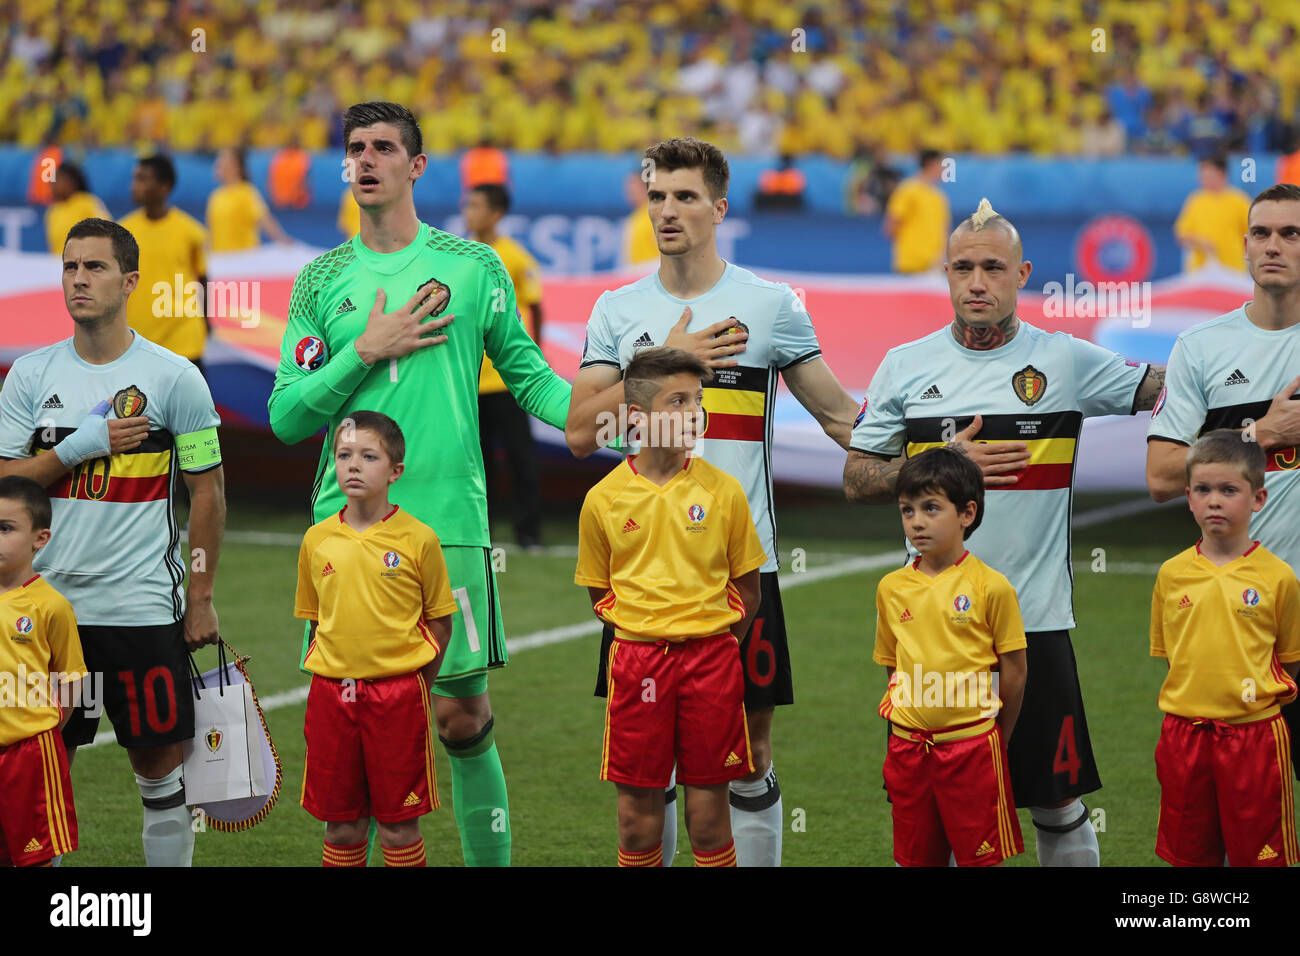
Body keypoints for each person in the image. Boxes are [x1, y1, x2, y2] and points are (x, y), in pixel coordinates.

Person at [269, 101, 572, 868]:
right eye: (353, 149)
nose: (364, 160)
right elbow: (285, 417)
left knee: (462, 718)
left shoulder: (474, 268)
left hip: (450, 526)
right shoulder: (320, 279)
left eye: (381, 147)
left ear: (417, 165)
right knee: (357, 718)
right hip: (347, 535)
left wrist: (619, 416)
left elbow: (535, 384)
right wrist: (364, 350)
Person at [565, 136, 861, 867]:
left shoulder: (769, 306)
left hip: (738, 571)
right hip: (643, 574)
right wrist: (662, 362)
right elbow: (581, 431)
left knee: (749, 750)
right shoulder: (618, 308)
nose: (667, 210)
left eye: (685, 196)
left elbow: (839, 417)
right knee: (647, 771)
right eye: (657, 195)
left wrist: (934, 450)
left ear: (719, 208)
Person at [845, 198, 1166, 867]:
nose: (976, 281)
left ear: (1022, 274)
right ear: (946, 273)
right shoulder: (906, 365)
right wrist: (937, 466)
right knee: (943, 801)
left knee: (1056, 800)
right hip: (934, 626)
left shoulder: (1065, 360)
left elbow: (1165, 390)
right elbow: (857, 476)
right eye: (963, 267)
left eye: (993, 267)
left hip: (1037, 619)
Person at [0, 217, 225, 867]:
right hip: (41, 610)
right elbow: (8, 483)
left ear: (129, 282)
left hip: (138, 607)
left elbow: (208, 491)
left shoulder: (175, 377)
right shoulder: (29, 375)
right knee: (35, 768)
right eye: (70, 266)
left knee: (158, 769)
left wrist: (202, 595)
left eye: (94, 267)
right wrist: (80, 446)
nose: (78, 279)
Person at [574, 347, 765, 868]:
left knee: (709, 817)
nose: (693, 413)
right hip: (638, 665)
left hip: (711, 663)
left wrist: (716, 643)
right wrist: (647, 630)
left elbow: (747, 589)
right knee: (637, 822)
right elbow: (600, 593)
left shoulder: (723, 491)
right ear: (636, 417)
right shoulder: (603, 499)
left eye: (697, 400)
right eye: (677, 401)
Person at [1146, 182, 1300, 769]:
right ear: (1244, 247)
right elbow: (1161, 475)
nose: (1274, 245)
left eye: (1291, 233)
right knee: (1246, 811)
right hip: (1244, 615)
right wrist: (1259, 436)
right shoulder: (1202, 348)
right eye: (1261, 233)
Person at [294, 411, 457, 868]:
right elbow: (314, 620)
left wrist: (416, 683)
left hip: (398, 697)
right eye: (344, 455)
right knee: (342, 824)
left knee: (398, 823)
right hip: (331, 696)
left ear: (395, 471)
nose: (353, 465)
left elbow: (440, 620)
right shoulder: (316, 540)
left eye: (368, 456)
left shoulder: (419, 539)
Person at [1150, 430, 1300, 866]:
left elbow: (1289, 660)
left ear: (1257, 499)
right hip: (1184, 735)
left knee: (1260, 857)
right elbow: (1172, 656)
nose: (1214, 500)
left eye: (1228, 490)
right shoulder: (1171, 574)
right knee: (1190, 855)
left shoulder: (1279, 578)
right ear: (1189, 498)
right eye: (1204, 489)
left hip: (1254, 737)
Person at [874, 447, 1026, 867]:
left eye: (931, 508)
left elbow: (1014, 670)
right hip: (908, 749)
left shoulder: (991, 587)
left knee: (980, 859)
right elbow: (893, 663)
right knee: (916, 858)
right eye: (907, 510)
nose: (917, 521)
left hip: (971, 749)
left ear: (967, 513)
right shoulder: (890, 587)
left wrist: (999, 735)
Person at [0, 476, 85, 867]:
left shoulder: (51, 606)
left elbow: (72, 681)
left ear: (40, 538)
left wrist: (41, 732)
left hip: (29, 755)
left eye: (6, 528)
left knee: (32, 859)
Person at [463, 183, 545, 549]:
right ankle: (481, 534)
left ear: (495, 213)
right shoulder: (460, 255)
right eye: (468, 204)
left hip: (505, 380)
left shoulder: (514, 257)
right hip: (468, 380)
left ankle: (528, 534)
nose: (469, 211)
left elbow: (535, 306)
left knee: (521, 459)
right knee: (476, 465)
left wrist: (532, 362)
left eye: (476, 205)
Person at [119, 155, 210, 374]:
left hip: (183, 342)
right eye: (135, 178)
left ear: (164, 187)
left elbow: (203, 278)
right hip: (139, 343)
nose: (135, 185)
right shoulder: (122, 232)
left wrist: (207, 322)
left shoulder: (191, 231)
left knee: (191, 409)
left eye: (142, 179)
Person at [1173, 154, 1251, 273]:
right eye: (1202, 174)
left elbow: (1253, 234)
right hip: (1200, 271)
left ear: (1221, 173)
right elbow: (1181, 234)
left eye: (1208, 173)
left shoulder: (1239, 201)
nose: (1202, 178)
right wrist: (1200, 241)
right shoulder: (1196, 200)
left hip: (1232, 270)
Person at [206, 148, 292, 252]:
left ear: (236, 167)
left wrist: (282, 239)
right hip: (222, 259)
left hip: (244, 258)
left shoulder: (246, 192)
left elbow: (264, 219)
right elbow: (212, 232)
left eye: (223, 161)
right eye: (218, 161)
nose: (218, 165)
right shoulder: (216, 196)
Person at [883, 149, 950, 274]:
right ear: (932, 164)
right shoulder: (908, 190)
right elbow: (891, 226)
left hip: (934, 267)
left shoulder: (939, 196)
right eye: (942, 166)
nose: (944, 171)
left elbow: (942, 231)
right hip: (911, 266)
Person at [45, 163, 108, 255]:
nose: (52, 185)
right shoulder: (53, 211)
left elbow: (107, 232)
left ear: (72, 182)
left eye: (57, 180)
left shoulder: (86, 202)